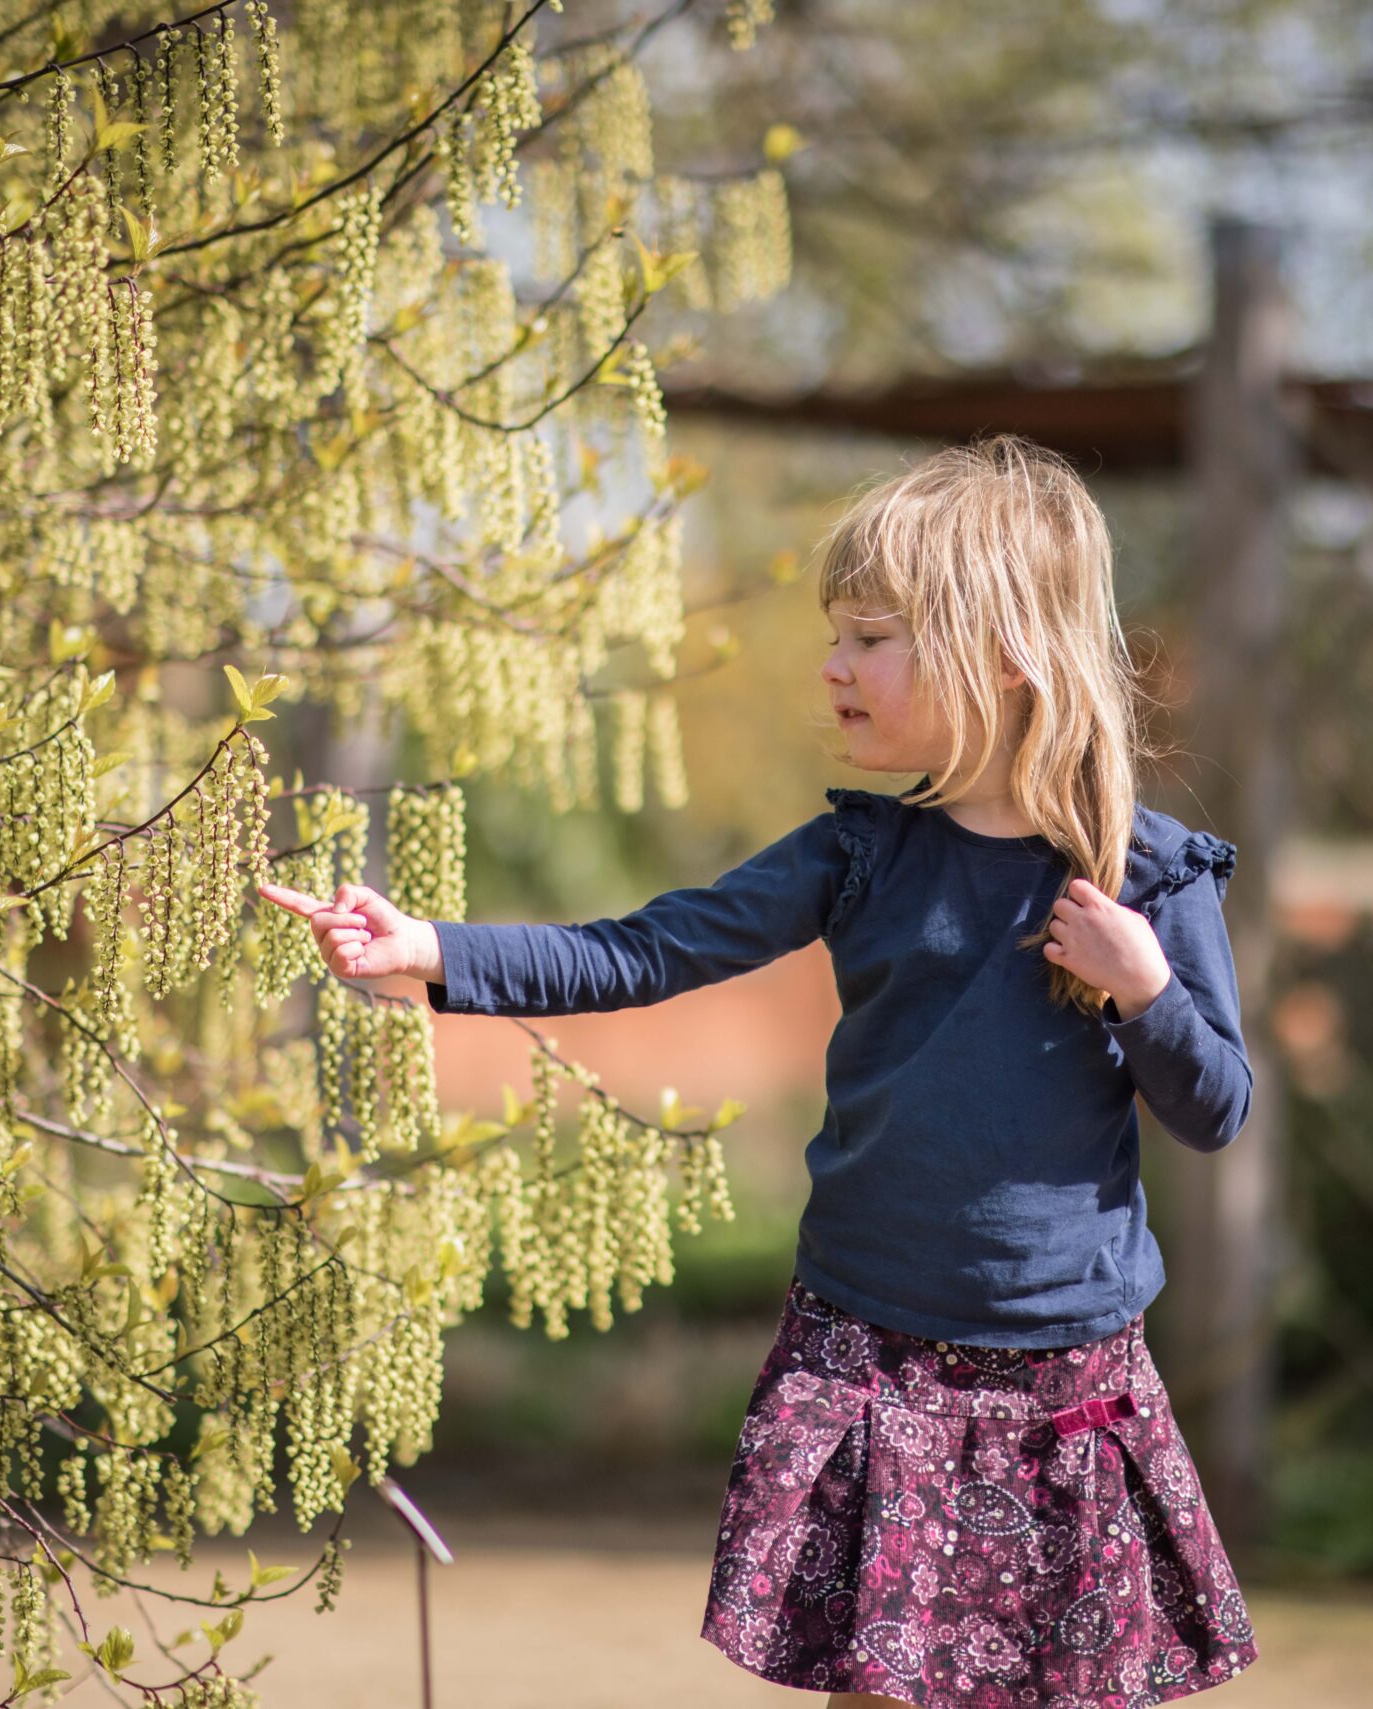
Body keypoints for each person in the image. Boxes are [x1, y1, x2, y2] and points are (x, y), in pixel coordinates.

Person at [260, 433, 1259, 1707]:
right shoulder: (858, 856)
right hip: (870, 1348)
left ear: (1007, 656)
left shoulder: (1150, 879)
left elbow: (1215, 1109)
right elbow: (645, 949)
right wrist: (432, 952)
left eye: (872, 635)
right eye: (835, 632)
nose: (833, 666)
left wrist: (1145, 989)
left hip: (1061, 1375)